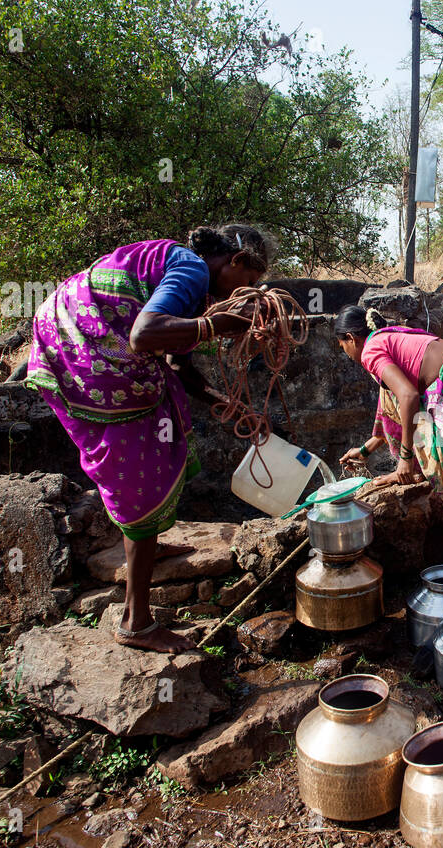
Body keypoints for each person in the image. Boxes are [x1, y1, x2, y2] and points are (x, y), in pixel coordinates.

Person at [27, 224, 273, 652]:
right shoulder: (192, 268)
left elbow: (181, 368)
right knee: (137, 464)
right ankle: (136, 622)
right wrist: (215, 326)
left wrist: (228, 404)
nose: (244, 294)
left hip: (72, 337)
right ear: (234, 261)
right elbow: (144, 335)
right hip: (86, 347)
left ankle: (144, 542)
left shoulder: (191, 290)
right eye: (248, 283)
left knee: (164, 417)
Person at [336, 306, 443, 595]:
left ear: (351, 338)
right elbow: (392, 400)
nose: (345, 352)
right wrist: (366, 450)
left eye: (342, 346)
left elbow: (409, 395)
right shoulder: (387, 337)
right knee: (387, 391)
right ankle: (413, 470)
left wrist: (404, 459)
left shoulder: (370, 350)